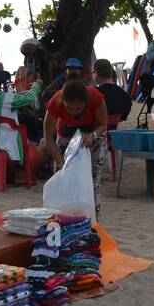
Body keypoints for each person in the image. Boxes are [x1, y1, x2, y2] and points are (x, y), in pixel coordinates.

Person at [43, 79, 109, 218]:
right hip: (66, 134)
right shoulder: (55, 102)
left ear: (86, 102)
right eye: (69, 108)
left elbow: (103, 124)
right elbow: (48, 137)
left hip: (93, 134)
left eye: (79, 109)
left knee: (93, 180)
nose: (74, 112)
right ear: (63, 101)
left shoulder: (95, 98)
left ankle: (92, 219)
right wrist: (60, 161)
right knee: (62, 178)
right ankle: (64, 217)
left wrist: (93, 135)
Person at [93, 58, 131, 122]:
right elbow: (123, 117)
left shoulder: (93, 94)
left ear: (96, 74)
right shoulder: (125, 95)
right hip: (114, 128)